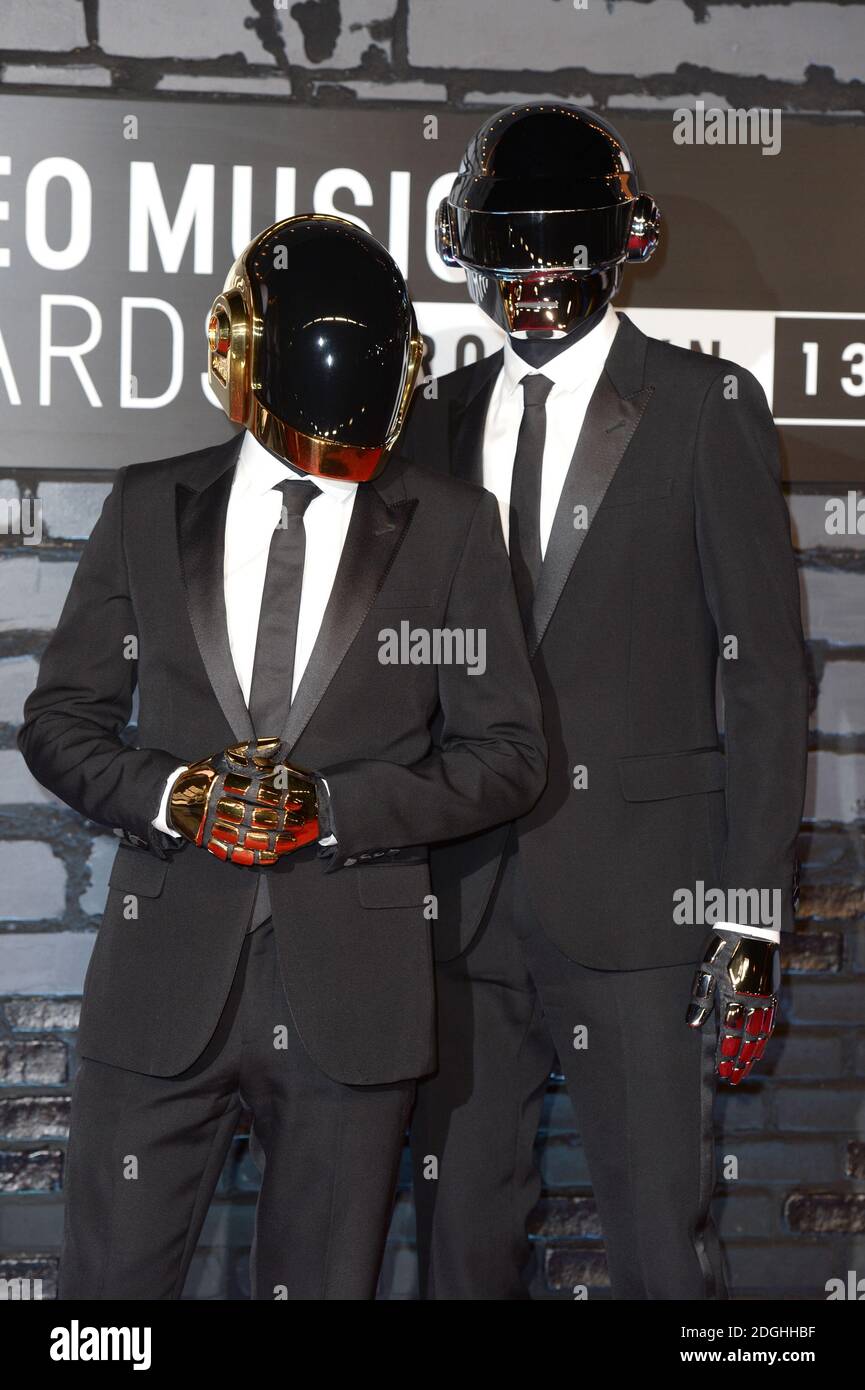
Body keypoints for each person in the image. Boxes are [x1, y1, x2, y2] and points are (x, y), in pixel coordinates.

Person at [19, 214, 546, 1301]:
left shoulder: (451, 530)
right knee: (104, 1304)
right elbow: (60, 720)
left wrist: (336, 810)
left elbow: (508, 757)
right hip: (160, 989)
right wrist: (175, 793)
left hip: (351, 1006)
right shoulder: (145, 506)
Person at [402, 104, 809, 1300]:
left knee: (655, 1248)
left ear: (612, 247)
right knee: (458, 1247)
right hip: (459, 909)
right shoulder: (434, 420)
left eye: (554, 249)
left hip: (645, 906)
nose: (532, 278)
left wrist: (748, 912)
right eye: (507, 250)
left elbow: (767, 673)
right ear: (469, 253)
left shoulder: (702, 407)